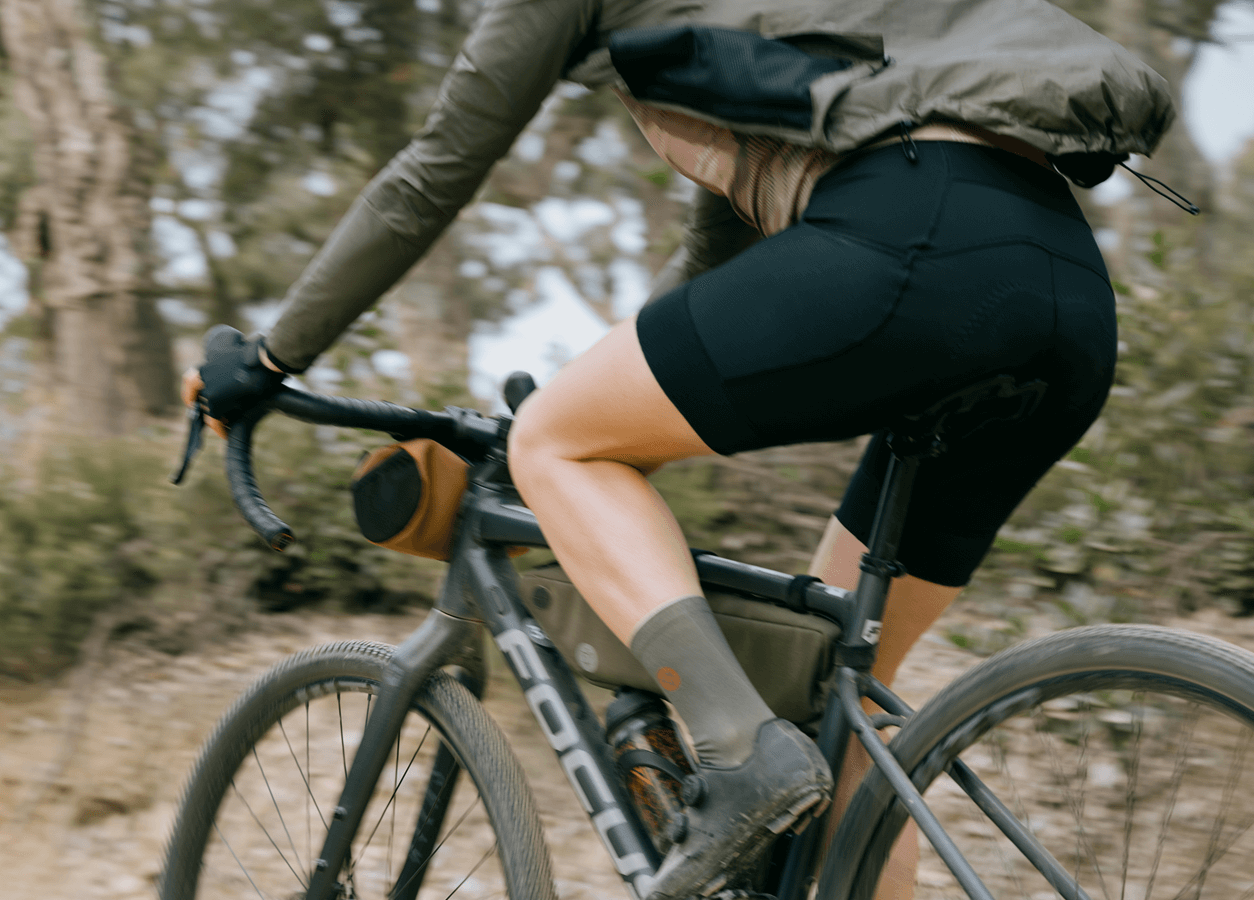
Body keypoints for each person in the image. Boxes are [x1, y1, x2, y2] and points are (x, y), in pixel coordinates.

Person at [187, 1, 1176, 897]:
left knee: (558, 445)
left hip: (911, 238)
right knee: (837, 706)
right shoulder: (765, 25)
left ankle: (735, 752)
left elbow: (433, 171)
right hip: (1063, 294)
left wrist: (272, 360)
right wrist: (595, 390)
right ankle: (769, 748)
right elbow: (716, 254)